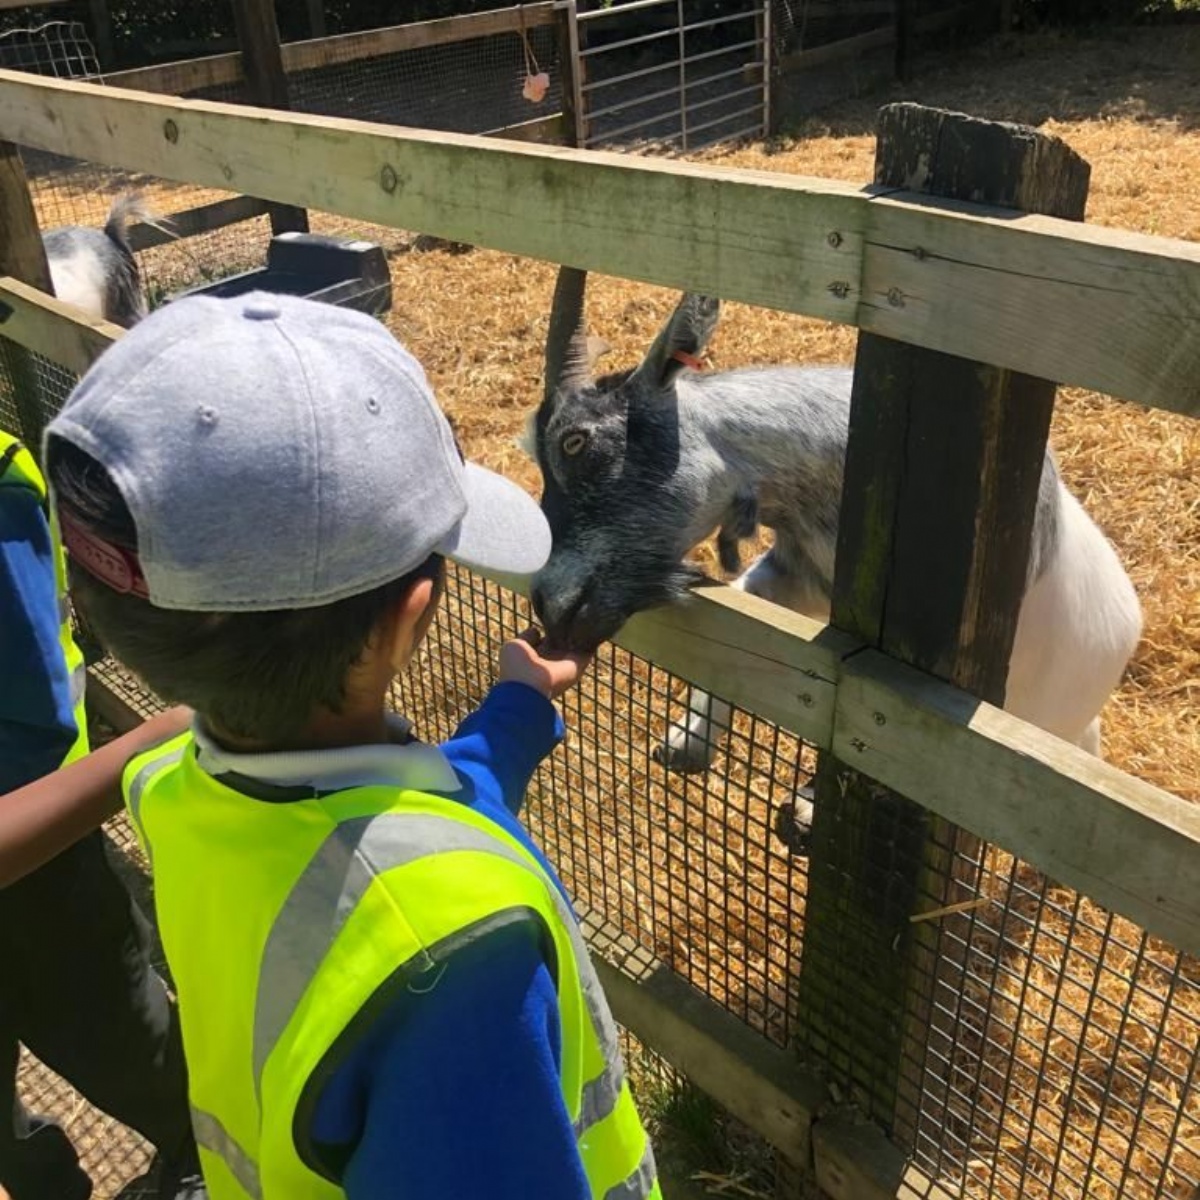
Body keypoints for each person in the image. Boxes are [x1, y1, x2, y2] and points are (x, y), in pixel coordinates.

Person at [43, 291, 660, 1200]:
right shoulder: (456, 963)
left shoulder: (175, 790)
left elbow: (371, 837)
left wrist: (515, 712)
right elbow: (402, 880)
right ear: (402, 625)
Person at [0, 433, 202, 1199]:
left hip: (40, 855)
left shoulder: (1, 486)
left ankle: (201, 1162)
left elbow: (33, 726)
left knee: (130, 1044)